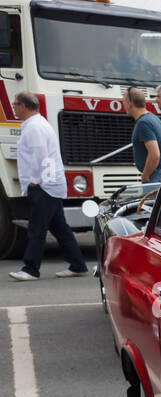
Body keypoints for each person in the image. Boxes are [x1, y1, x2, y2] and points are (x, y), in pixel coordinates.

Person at [9, 92, 89, 281]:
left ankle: (30, 269)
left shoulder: (34, 127)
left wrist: (35, 180)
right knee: (60, 228)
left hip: (44, 185)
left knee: (37, 228)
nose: (13, 107)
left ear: (24, 106)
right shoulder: (38, 124)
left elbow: (40, 155)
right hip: (51, 184)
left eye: (15, 104)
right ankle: (78, 265)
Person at [124, 87, 161, 183]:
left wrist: (146, 174)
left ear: (129, 102)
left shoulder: (143, 123)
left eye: (124, 100)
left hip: (154, 177)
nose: (124, 104)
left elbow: (155, 154)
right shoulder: (155, 119)